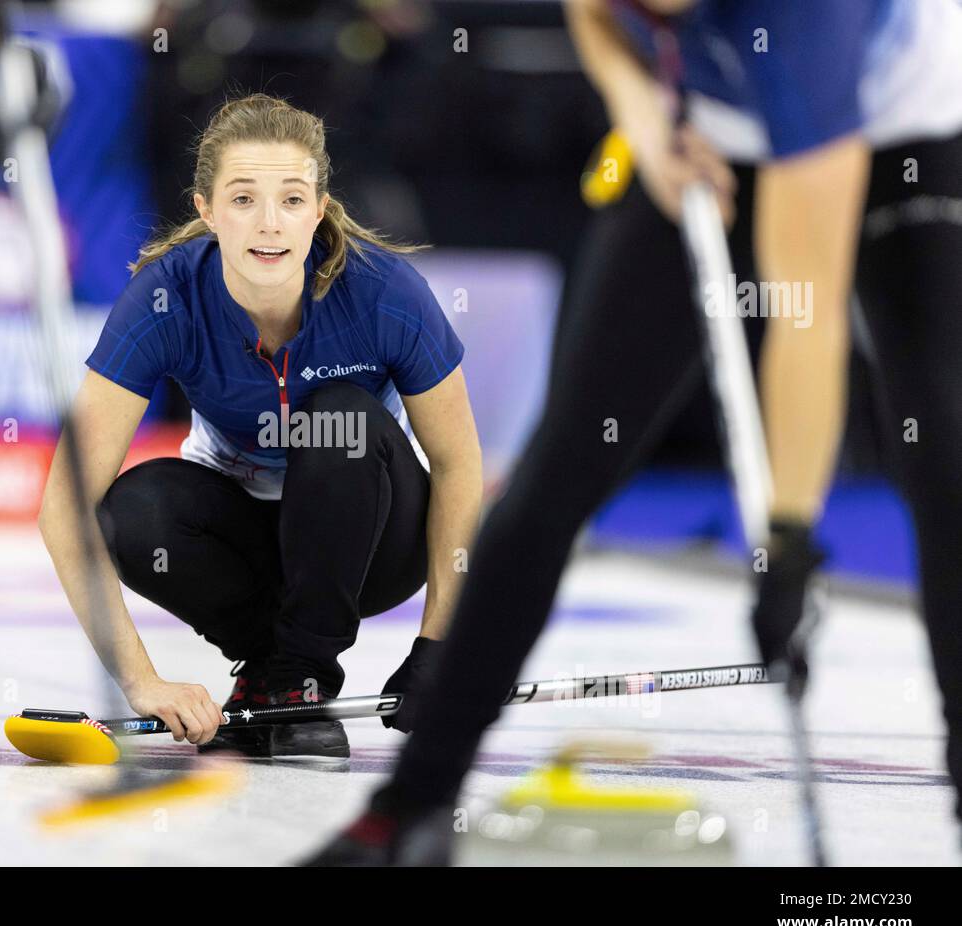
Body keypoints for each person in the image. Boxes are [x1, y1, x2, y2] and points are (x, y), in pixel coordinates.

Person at [307, 0, 962, 862]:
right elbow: (595, 15)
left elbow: (805, 316)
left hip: (896, 137)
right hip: (706, 128)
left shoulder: (810, 26)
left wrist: (788, 536)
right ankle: (413, 806)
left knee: (943, 460)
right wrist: (641, 114)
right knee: (558, 469)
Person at [37, 93, 483, 765]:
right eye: (244, 199)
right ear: (206, 209)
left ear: (321, 208)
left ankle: (304, 670)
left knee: (337, 419)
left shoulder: (386, 292)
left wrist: (438, 648)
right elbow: (65, 508)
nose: (270, 225)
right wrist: (142, 680)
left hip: (373, 547)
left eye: (293, 200)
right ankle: (274, 671)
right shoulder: (165, 298)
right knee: (134, 513)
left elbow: (459, 465)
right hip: (250, 550)